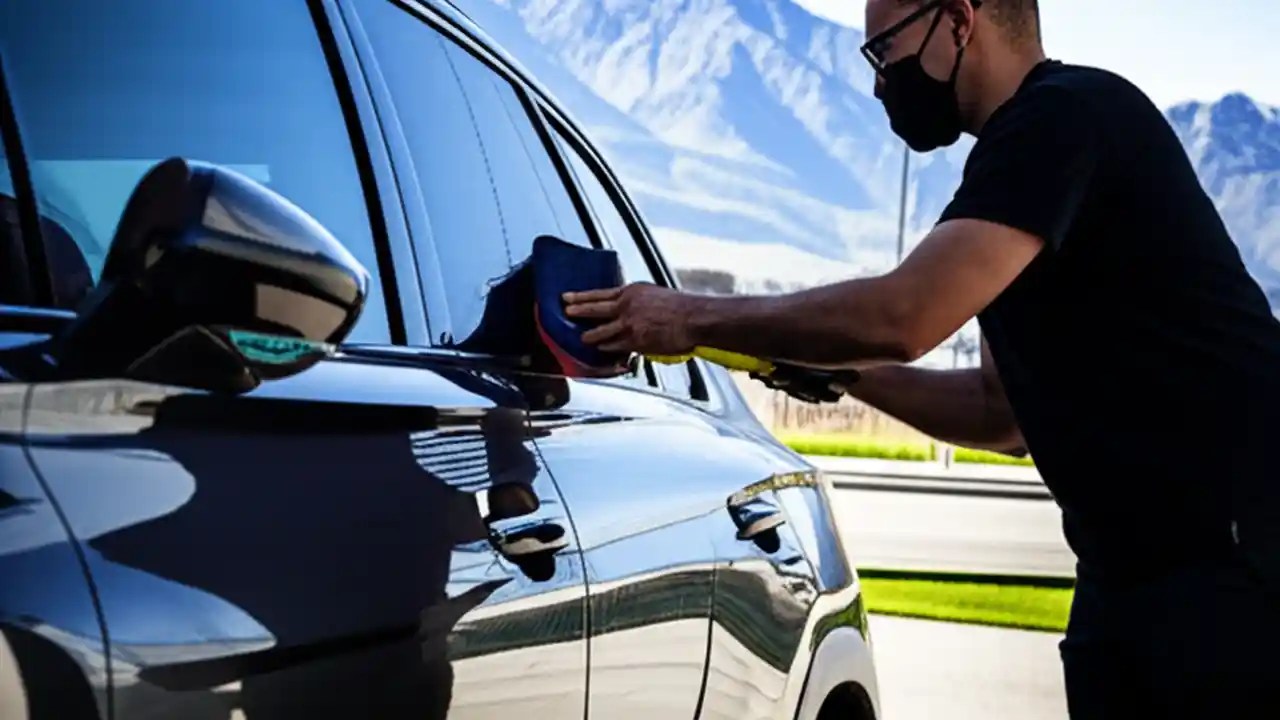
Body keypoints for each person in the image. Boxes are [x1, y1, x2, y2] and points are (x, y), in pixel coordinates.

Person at [562, 0, 1280, 717]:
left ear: (960, 20)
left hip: (1235, 568)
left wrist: (690, 316)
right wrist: (851, 375)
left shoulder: (1065, 118)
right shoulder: (1015, 168)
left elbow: (905, 315)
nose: (880, 86)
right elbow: (999, 413)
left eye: (884, 53)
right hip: (1132, 579)